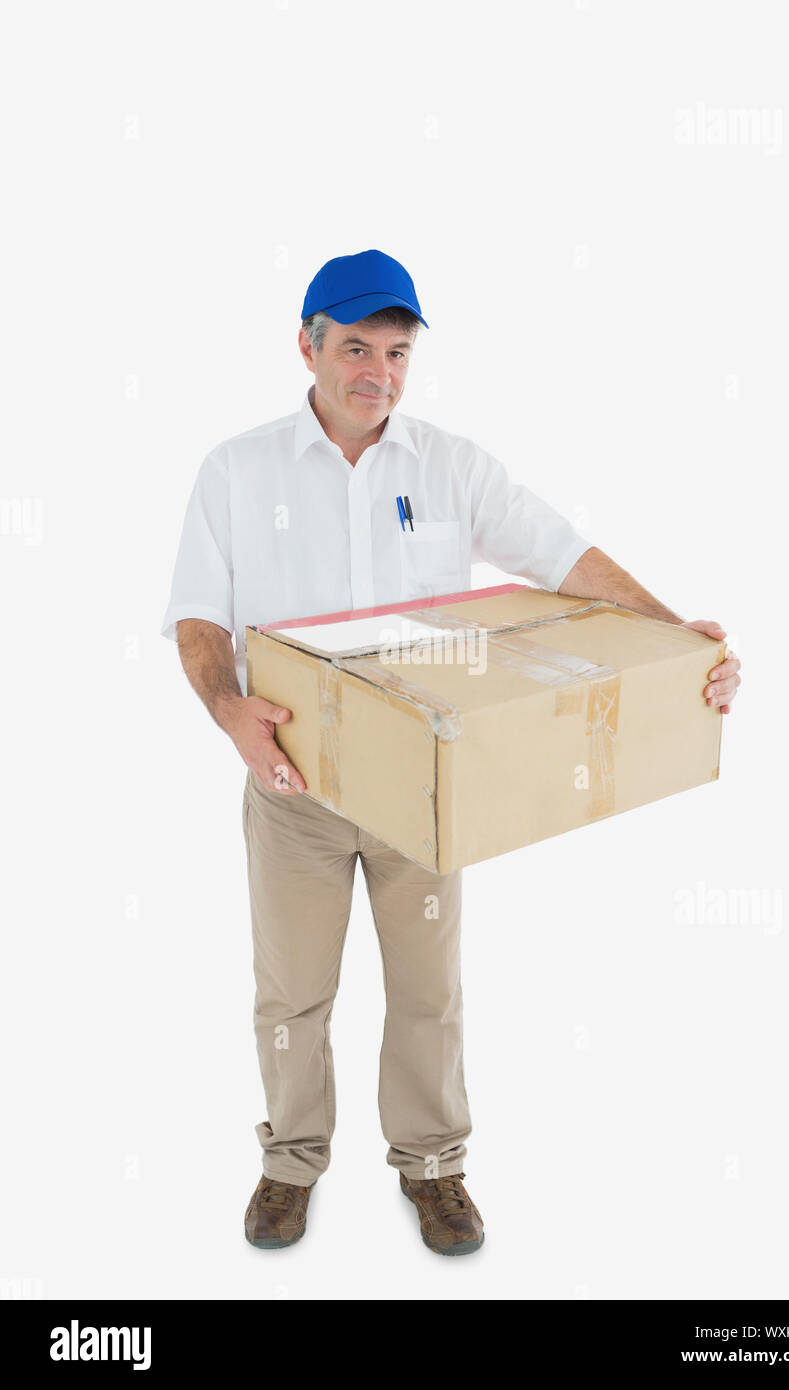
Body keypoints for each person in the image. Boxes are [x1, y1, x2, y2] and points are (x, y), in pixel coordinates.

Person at [161, 248, 742, 1257]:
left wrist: (677, 632)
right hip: (291, 785)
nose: (375, 371)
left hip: (423, 789)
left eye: (395, 351)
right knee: (291, 989)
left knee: (428, 989)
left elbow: (567, 559)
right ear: (306, 344)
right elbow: (198, 617)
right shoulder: (237, 470)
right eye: (353, 347)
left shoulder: (450, 466)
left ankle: (431, 1168)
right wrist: (226, 711)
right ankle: (290, 1160)